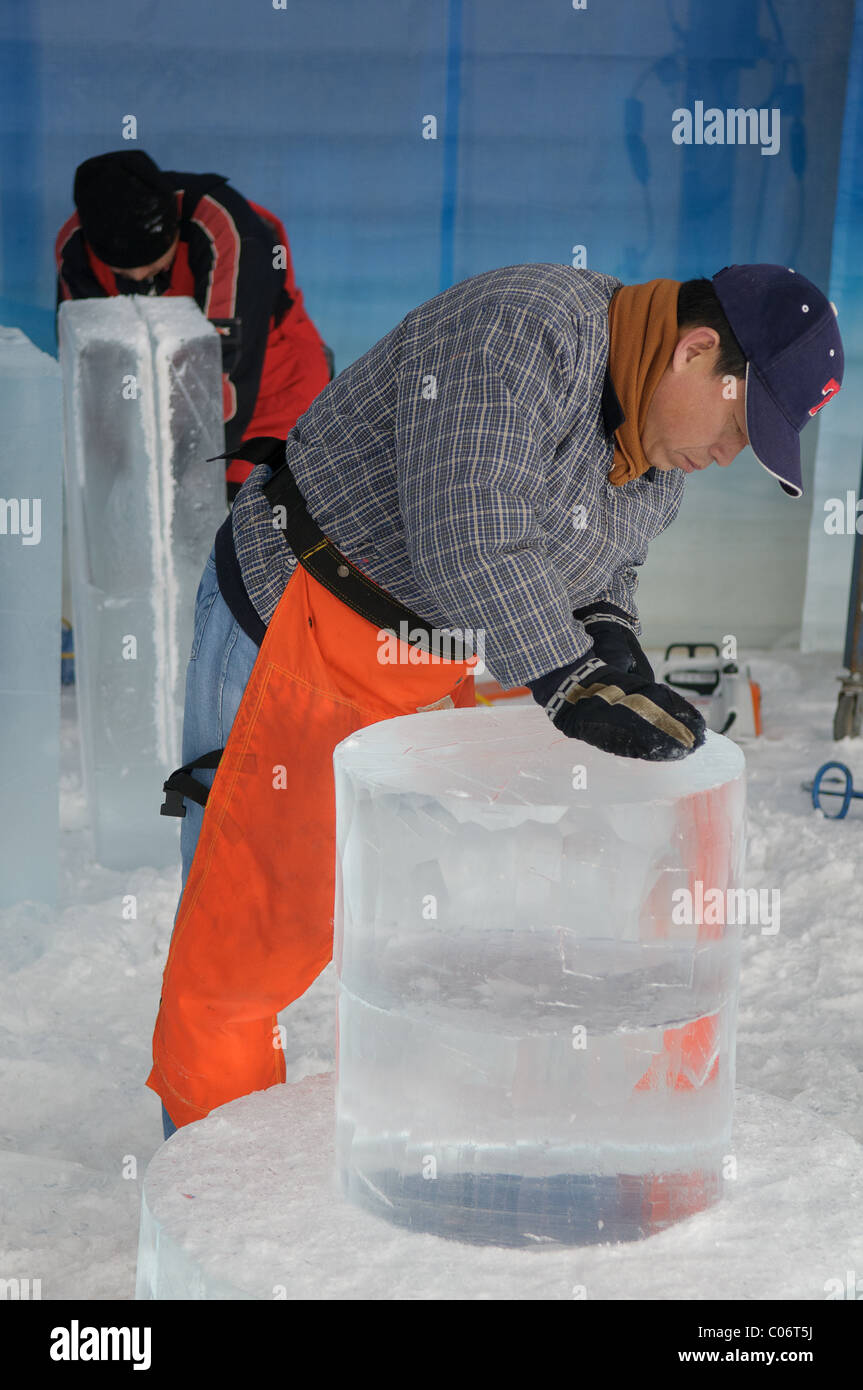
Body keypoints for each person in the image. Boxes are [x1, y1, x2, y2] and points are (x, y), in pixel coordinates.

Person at [147, 261, 843, 1138]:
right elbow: (466, 529)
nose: (729, 456)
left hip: (422, 653)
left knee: (391, 914)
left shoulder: (657, 462)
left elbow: (605, 573)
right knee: (247, 946)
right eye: (740, 424)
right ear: (696, 351)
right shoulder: (525, 328)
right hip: (303, 623)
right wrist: (566, 676)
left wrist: (609, 639)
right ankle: (214, 1207)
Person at [55, 149, 333, 500]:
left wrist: (182, 472)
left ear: (174, 226)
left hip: (272, 388)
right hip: (165, 405)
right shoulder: (75, 247)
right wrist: (122, 457)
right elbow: (93, 367)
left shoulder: (220, 224)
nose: (142, 281)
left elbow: (226, 366)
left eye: (157, 270)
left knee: (255, 521)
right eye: (125, 276)